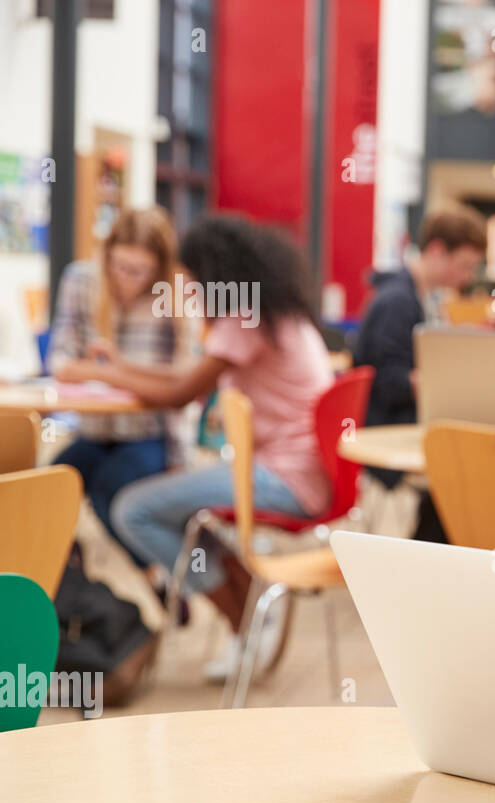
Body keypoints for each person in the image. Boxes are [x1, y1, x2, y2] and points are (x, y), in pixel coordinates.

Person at [59, 215, 335, 680]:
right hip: (298, 471)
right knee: (171, 513)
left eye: (190, 280)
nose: (186, 290)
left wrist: (100, 373)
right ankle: (250, 605)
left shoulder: (240, 322)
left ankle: (243, 623)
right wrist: (122, 367)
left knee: (135, 510)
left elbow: (179, 395)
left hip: (284, 479)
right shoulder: (268, 312)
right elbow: (183, 381)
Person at [46, 207, 186, 572]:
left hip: (149, 432)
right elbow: (60, 363)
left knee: (112, 491)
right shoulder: (82, 279)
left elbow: (181, 385)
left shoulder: (175, 292)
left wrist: (108, 372)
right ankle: (68, 589)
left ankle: (164, 576)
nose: (126, 278)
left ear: (158, 267)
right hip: (95, 430)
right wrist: (124, 376)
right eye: (119, 266)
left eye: (139, 270)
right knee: (48, 488)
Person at [351, 203, 487, 492]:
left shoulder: (421, 298)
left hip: (403, 427)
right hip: (386, 433)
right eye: (465, 266)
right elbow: (388, 383)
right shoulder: (397, 303)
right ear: (437, 251)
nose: (468, 277)